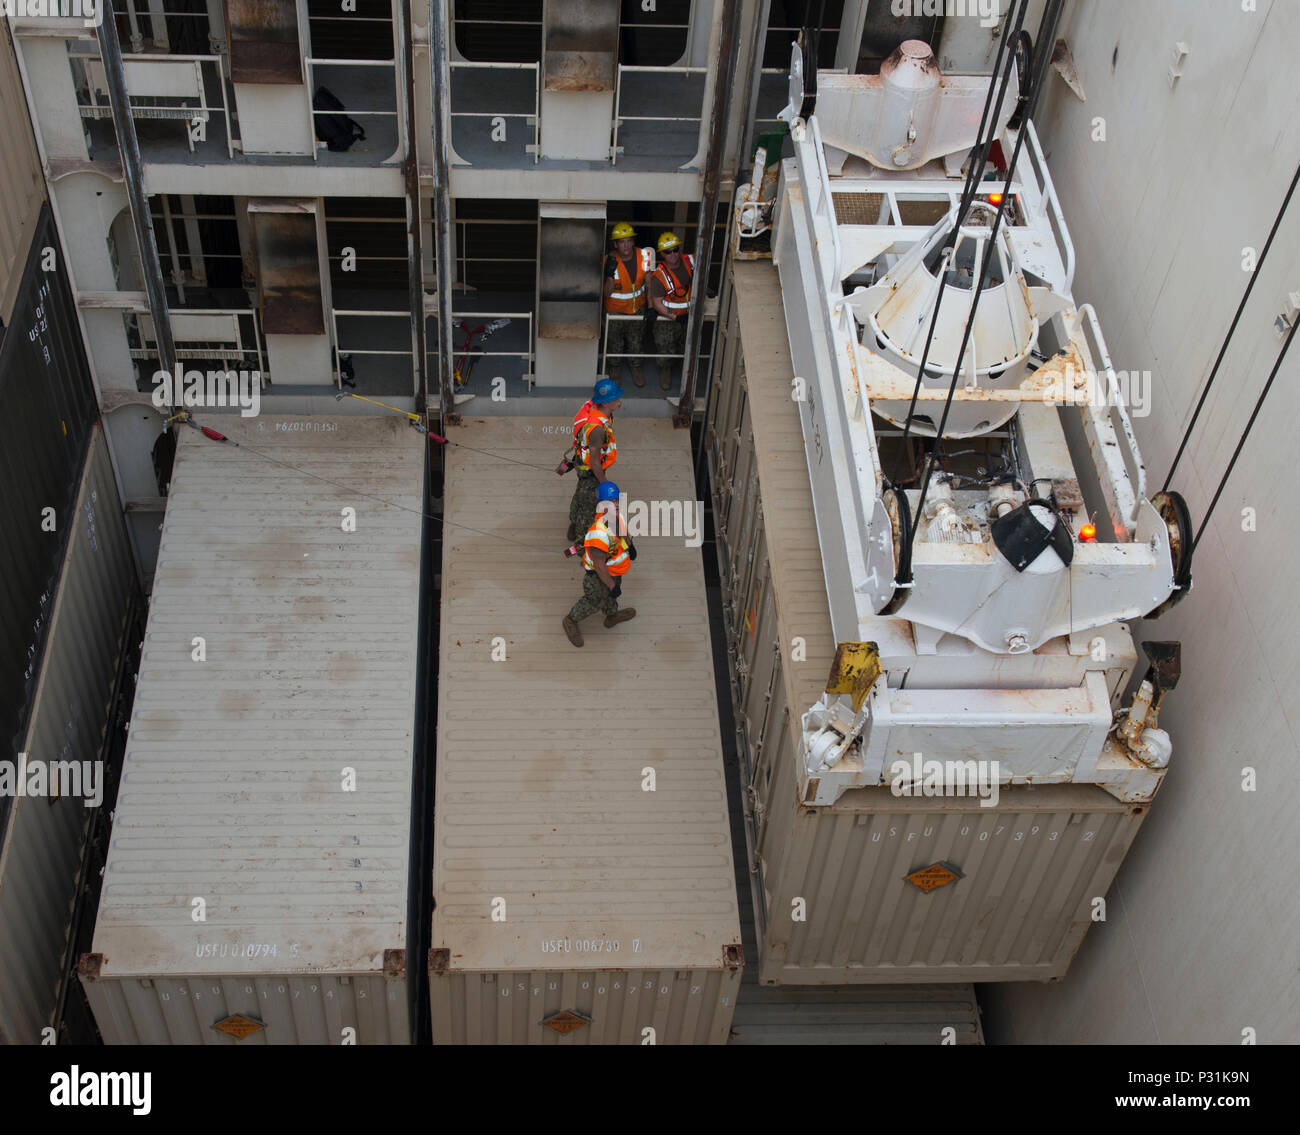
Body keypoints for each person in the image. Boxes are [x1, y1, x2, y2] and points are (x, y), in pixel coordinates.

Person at [562, 481, 635, 647]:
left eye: (617, 500)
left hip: (614, 569)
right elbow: (599, 565)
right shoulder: (598, 534)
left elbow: (623, 530)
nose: (615, 505)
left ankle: (611, 615)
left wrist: (630, 546)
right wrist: (610, 584)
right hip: (598, 576)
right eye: (610, 502)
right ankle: (571, 620)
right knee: (594, 600)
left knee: (610, 596)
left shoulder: (617, 516)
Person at [568, 378, 622, 542]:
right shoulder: (597, 429)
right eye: (615, 399)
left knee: (581, 493)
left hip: (583, 463)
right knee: (590, 504)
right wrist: (603, 482)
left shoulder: (600, 411)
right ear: (605, 403)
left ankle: (573, 523)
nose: (620, 401)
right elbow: (594, 461)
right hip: (591, 469)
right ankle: (582, 541)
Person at [603, 221, 654, 388]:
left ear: (633, 241)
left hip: (637, 309)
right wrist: (609, 275)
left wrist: (651, 306)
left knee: (636, 342)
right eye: (621, 242)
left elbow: (649, 283)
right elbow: (606, 293)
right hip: (615, 312)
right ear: (615, 244)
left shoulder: (645, 256)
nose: (626, 245)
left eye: (628, 241)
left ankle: (636, 367)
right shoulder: (608, 260)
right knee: (614, 342)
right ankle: (615, 368)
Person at [646, 231, 694, 391]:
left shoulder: (689, 261)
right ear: (662, 254)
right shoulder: (659, 276)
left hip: (689, 317)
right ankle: (665, 371)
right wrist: (675, 317)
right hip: (669, 319)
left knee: (685, 346)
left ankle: (683, 369)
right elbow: (657, 303)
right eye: (668, 252)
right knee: (665, 348)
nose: (673, 254)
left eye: (675, 249)